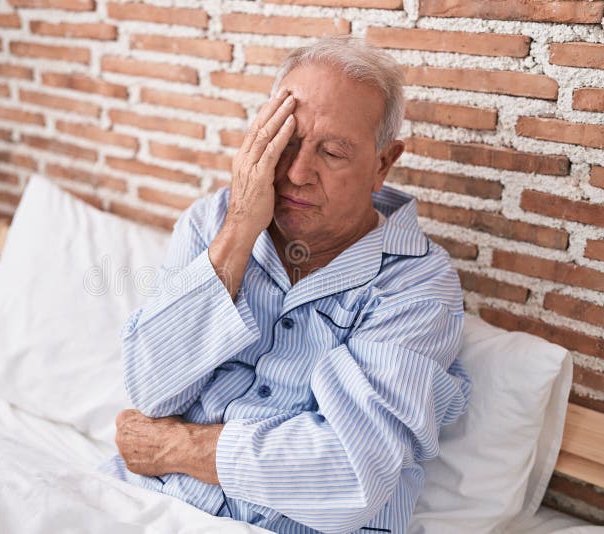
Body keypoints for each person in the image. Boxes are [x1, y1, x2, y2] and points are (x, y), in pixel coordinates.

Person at [104, 36, 472, 534]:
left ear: (383, 164)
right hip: (144, 505)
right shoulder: (212, 222)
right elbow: (150, 387)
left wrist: (175, 448)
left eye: (334, 152)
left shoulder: (418, 285)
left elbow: (346, 476)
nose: (297, 174)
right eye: (288, 142)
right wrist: (238, 232)